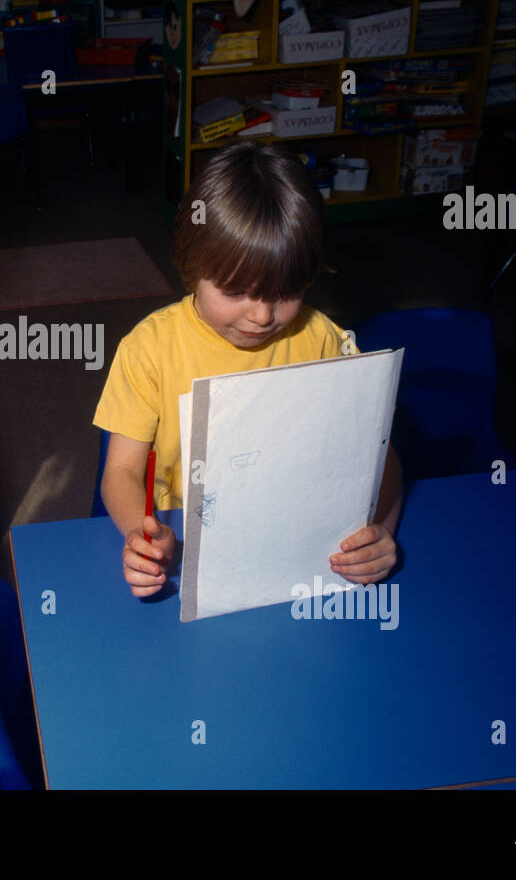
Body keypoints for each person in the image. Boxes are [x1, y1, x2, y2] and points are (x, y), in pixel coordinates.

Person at [93, 141, 403, 598]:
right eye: (237, 291)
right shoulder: (148, 349)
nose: (262, 316)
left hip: (296, 536)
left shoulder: (322, 340)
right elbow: (120, 471)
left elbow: (381, 456)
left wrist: (380, 529)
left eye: (286, 292)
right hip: (184, 535)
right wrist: (139, 536)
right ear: (192, 264)